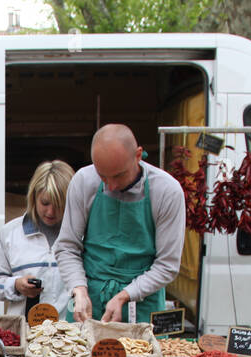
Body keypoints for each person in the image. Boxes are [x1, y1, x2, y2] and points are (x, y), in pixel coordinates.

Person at [54, 124, 185, 323]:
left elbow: (167, 265)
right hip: (89, 297)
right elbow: (67, 247)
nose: (111, 185)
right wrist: (78, 288)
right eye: (102, 176)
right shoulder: (83, 181)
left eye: (118, 175)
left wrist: (125, 294)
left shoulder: (167, 191)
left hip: (141, 303)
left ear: (138, 155)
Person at [0, 160, 73, 315]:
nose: (50, 212)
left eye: (58, 204)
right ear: (33, 196)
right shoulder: (10, 233)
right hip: (25, 332)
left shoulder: (80, 234)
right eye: (45, 203)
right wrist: (16, 285)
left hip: (70, 332)